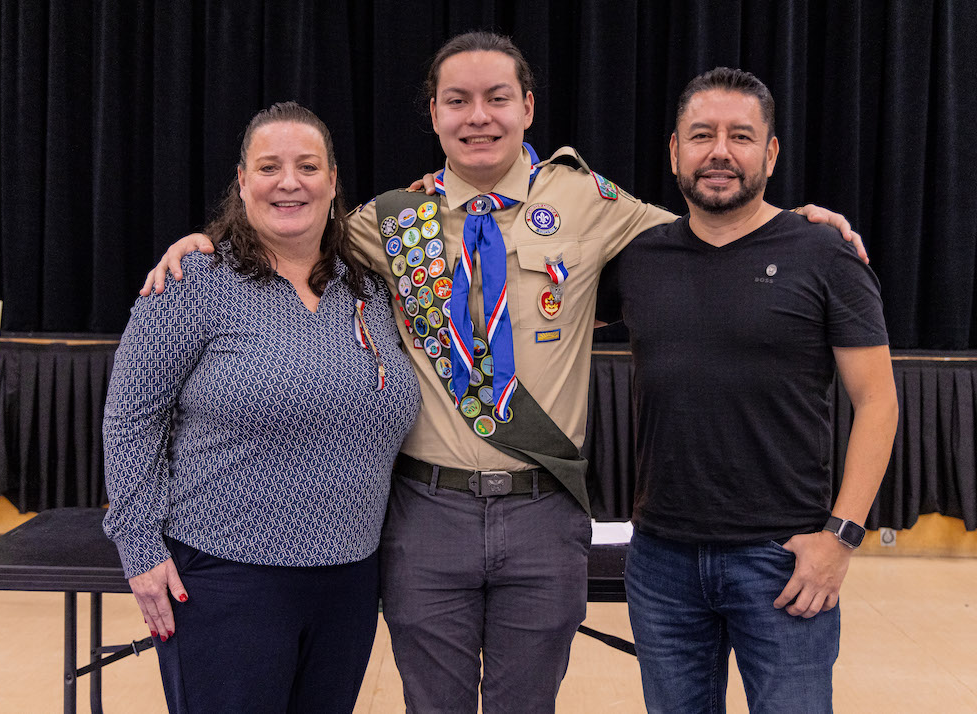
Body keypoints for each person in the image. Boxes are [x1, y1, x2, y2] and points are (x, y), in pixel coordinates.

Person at [142, 33, 865, 713]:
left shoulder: (589, 200)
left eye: (497, 97)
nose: (478, 116)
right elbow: (289, 228)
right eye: (457, 100)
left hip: (542, 511)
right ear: (433, 114)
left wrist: (795, 221)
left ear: (528, 107)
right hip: (427, 513)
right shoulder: (389, 223)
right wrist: (207, 241)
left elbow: (711, 234)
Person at [596, 68, 899, 713]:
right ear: (674, 151)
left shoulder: (824, 254)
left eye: (741, 136)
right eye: (701, 135)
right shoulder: (640, 259)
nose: (720, 153)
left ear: (772, 152)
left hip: (786, 562)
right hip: (661, 560)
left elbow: (878, 402)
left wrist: (840, 538)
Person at [103, 101, 421, 714]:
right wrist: (140, 550)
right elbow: (131, 420)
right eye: (269, 166)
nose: (289, 181)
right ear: (242, 181)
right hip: (226, 576)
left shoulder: (371, 290)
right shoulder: (192, 282)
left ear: (332, 182)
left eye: (307, 165)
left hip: (350, 578)